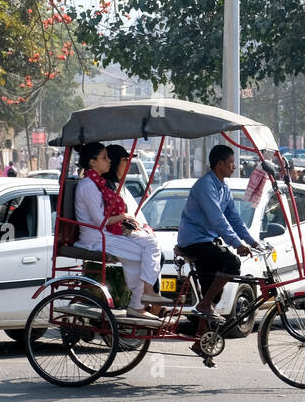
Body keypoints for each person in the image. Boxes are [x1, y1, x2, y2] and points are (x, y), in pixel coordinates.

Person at [73, 142, 163, 321]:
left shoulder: (97, 183)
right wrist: (124, 216)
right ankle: (140, 301)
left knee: (146, 248)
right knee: (141, 253)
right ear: (92, 162)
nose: (109, 161)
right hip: (95, 238)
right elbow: (100, 221)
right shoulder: (88, 186)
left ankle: (142, 298)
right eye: (104, 158)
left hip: (104, 234)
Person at [176, 144, 261, 332]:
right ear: (220, 164)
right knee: (232, 263)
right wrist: (236, 244)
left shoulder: (223, 187)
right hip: (194, 241)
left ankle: (201, 340)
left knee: (213, 292)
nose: (234, 166)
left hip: (207, 242)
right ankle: (204, 305)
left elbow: (234, 218)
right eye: (231, 163)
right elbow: (217, 219)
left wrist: (251, 241)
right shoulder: (206, 185)